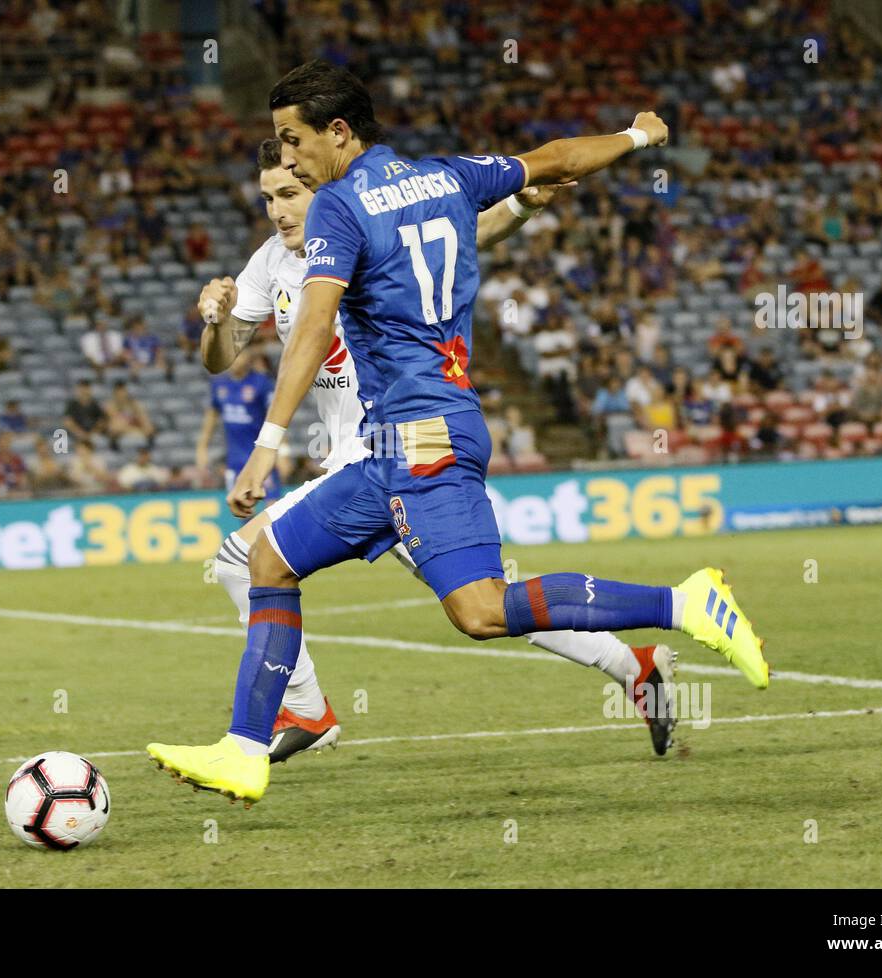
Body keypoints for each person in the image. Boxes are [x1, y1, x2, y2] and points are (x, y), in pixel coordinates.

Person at [148, 61, 768, 805]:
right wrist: (636, 135)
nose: (288, 159)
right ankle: (247, 749)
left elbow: (314, 325)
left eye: (294, 144)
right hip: (388, 446)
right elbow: (558, 159)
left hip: (424, 435)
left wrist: (264, 445)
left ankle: (685, 604)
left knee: (481, 610)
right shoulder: (445, 176)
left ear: (338, 132)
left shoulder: (341, 209)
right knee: (266, 561)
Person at [189, 137, 578, 761]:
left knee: (245, 558)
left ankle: (309, 714)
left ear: (325, 188)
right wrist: (215, 319)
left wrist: (522, 209)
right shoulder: (269, 263)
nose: (279, 211)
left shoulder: (359, 228)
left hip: (387, 448)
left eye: (290, 194)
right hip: (369, 460)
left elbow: (462, 234)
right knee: (487, 602)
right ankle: (637, 662)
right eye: (267, 200)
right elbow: (222, 358)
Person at [194, 344, 281, 502]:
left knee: (272, 507)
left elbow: (276, 415)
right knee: (242, 507)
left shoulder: (261, 383)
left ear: (248, 357)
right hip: (235, 460)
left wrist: (284, 451)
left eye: (239, 355)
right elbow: (212, 415)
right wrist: (202, 447)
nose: (234, 360)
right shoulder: (219, 384)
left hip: (261, 455)